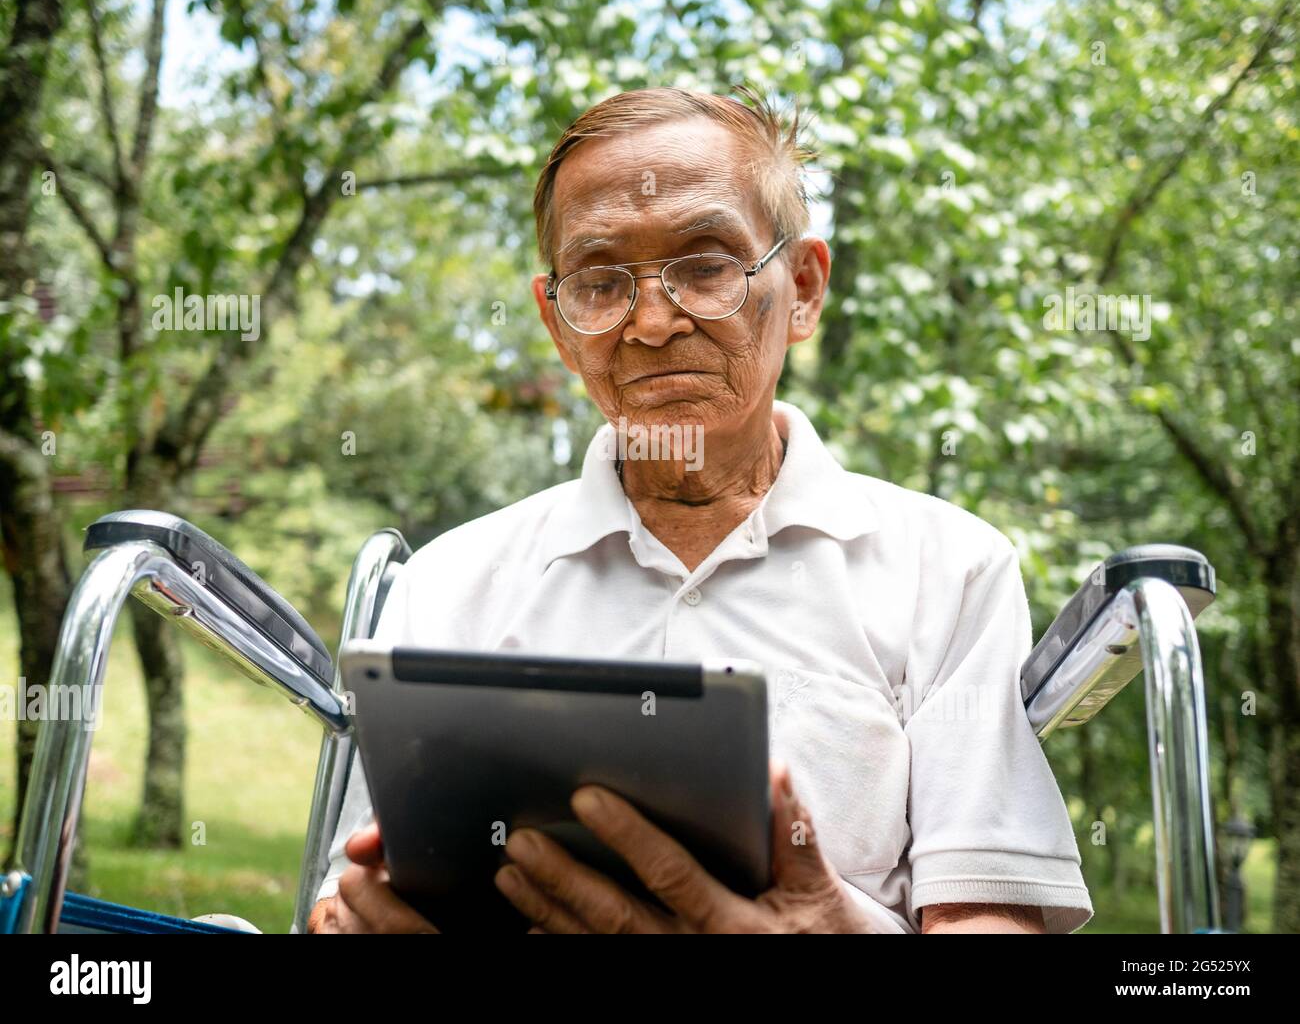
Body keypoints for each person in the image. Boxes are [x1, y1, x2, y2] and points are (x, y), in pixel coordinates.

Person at [309, 85, 1093, 934]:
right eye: (601, 282)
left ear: (802, 286)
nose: (652, 321)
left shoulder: (948, 570)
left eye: (706, 266)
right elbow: (347, 897)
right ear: (559, 324)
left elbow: (995, 919)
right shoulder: (448, 585)